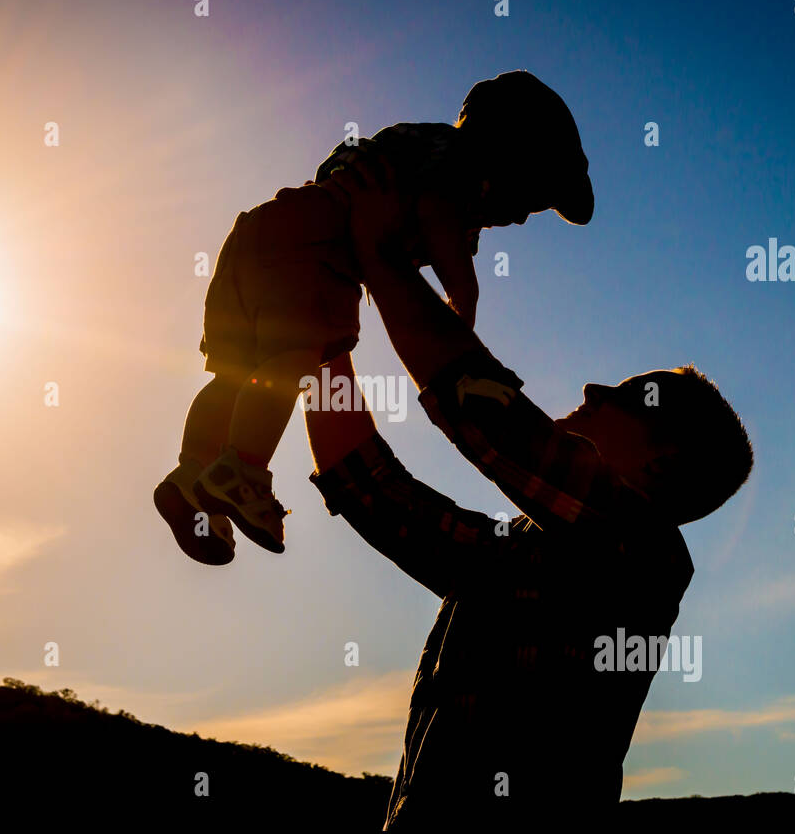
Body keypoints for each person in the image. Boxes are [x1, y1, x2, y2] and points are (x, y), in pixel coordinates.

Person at [303, 155, 753, 832]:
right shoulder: (512, 552)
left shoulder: (646, 557)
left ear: (664, 463)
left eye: (627, 395)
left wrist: (375, 254)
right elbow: (377, 495)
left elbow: (494, 419)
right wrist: (321, 338)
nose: (593, 389)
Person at [155, 71, 593, 562]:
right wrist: (462, 294)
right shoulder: (458, 170)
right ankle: (243, 469)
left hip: (268, 228)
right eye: (532, 198)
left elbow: (340, 172)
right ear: (509, 150)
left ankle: (191, 473)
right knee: (299, 359)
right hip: (317, 247)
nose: (521, 218)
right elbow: (435, 212)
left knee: (238, 374)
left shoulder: (413, 146)